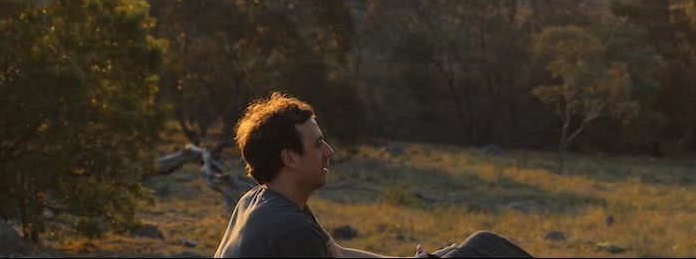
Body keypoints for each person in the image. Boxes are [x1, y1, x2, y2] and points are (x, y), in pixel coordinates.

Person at [215, 93, 532, 258]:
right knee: (482, 249)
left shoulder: (260, 201)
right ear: (289, 158)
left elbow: (336, 253)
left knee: (478, 247)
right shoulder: (289, 228)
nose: (329, 152)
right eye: (318, 144)